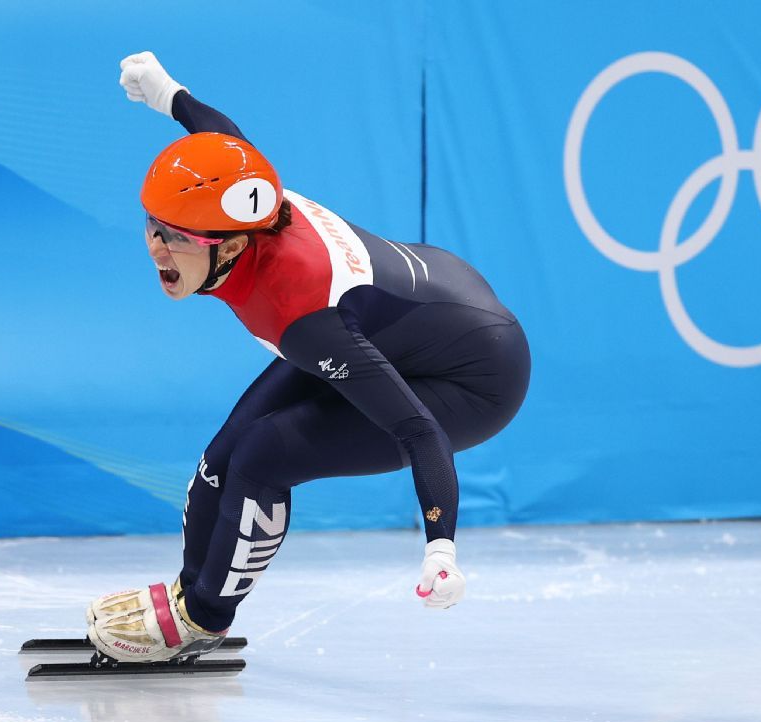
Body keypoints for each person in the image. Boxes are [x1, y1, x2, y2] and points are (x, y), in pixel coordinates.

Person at [86, 52, 530, 663]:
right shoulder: (245, 194)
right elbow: (219, 139)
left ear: (233, 245)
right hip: (413, 312)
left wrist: (440, 547)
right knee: (221, 458)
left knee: (265, 455)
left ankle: (206, 618)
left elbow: (416, 429)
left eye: (178, 237)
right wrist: (168, 94)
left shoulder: (303, 318)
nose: (156, 247)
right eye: (153, 225)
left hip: (474, 379)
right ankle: (191, 598)